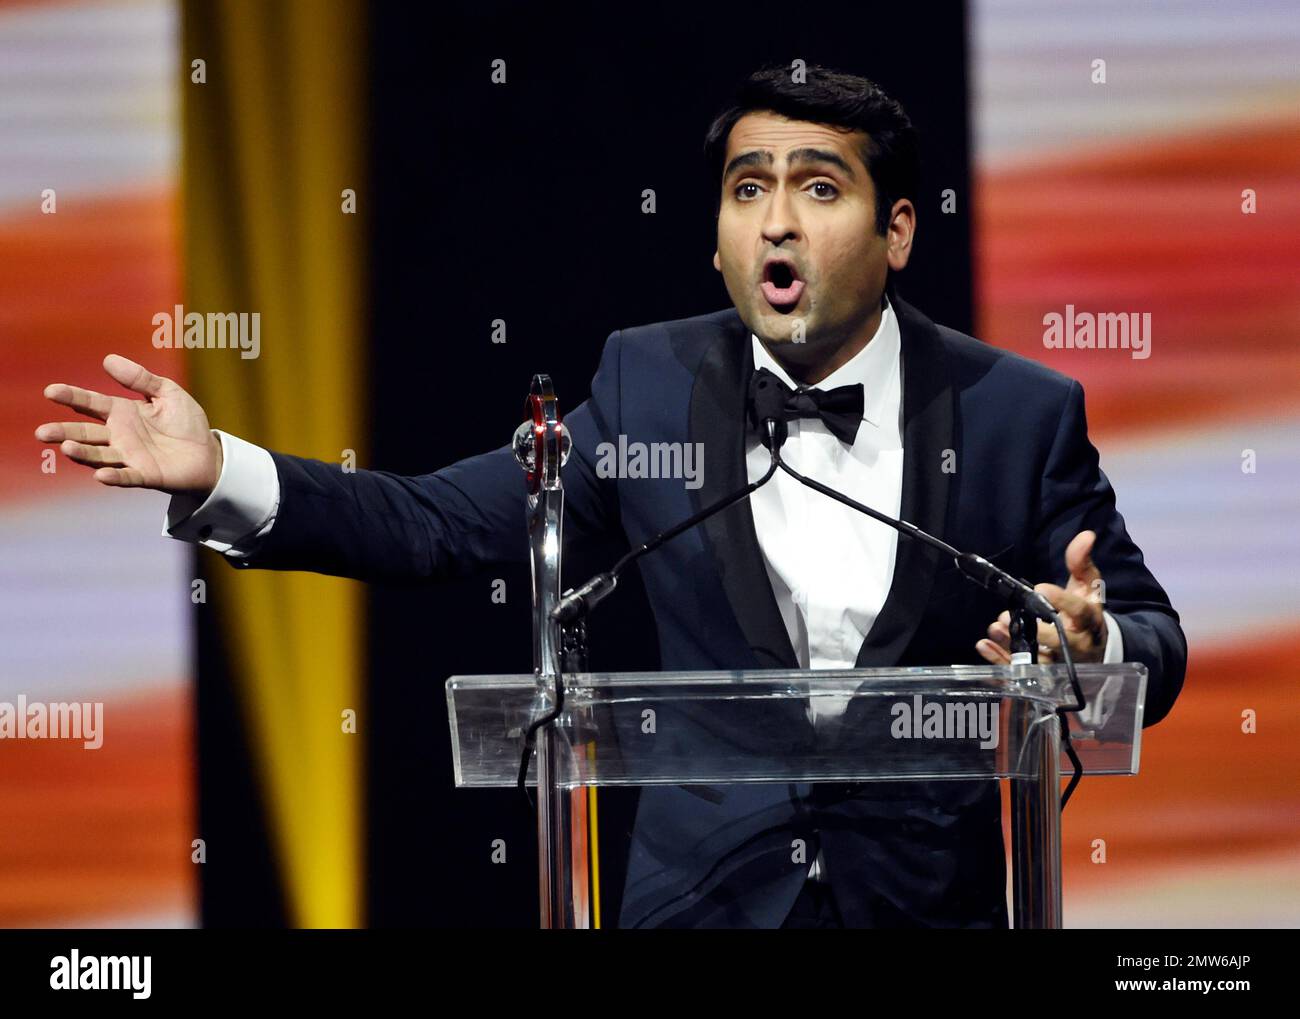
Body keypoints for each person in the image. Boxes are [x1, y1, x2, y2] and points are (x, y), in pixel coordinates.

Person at [34, 65, 1186, 928]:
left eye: (817, 188)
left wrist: (1093, 642)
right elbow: (441, 521)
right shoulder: (650, 387)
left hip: (927, 911)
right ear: (720, 236)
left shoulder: (1015, 410)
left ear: (896, 231)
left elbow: (1151, 631)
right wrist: (226, 469)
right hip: (701, 904)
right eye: (747, 190)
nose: (775, 219)